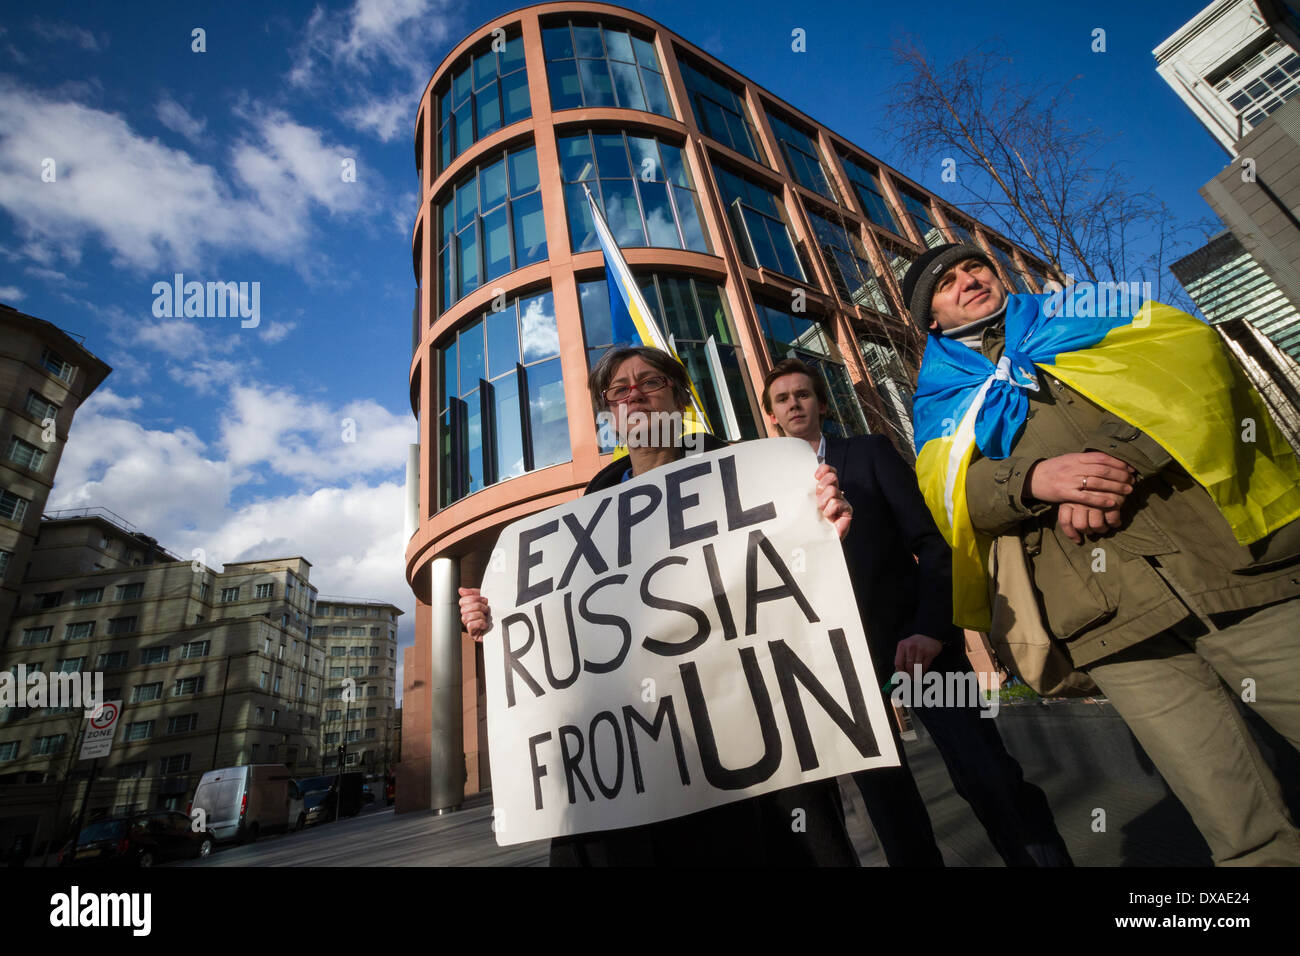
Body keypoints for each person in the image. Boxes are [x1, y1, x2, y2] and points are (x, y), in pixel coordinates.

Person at [904, 242, 1300, 866]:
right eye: (946, 283)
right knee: (1244, 833)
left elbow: (1197, 364)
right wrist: (1034, 480)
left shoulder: (1085, 310)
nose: (967, 280)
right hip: (1112, 627)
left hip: (1237, 574)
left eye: (973, 267)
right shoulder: (936, 402)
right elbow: (951, 500)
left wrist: (1110, 467)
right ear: (931, 320)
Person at [458, 345, 857, 866]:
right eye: (619, 391)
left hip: (753, 755)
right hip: (641, 763)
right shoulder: (579, 526)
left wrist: (823, 521)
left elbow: (795, 575)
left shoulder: (756, 477)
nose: (635, 396)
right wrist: (501, 617)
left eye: (651, 383)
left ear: (680, 397)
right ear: (609, 416)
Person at [762, 357, 1072, 867]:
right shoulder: (768, 493)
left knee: (990, 777)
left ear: (820, 403)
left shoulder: (868, 453)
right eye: (782, 399)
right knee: (891, 811)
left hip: (919, 649)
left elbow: (931, 544)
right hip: (842, 672)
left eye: (803, 394)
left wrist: (931, 629)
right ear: (772, 415)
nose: (794, 403)